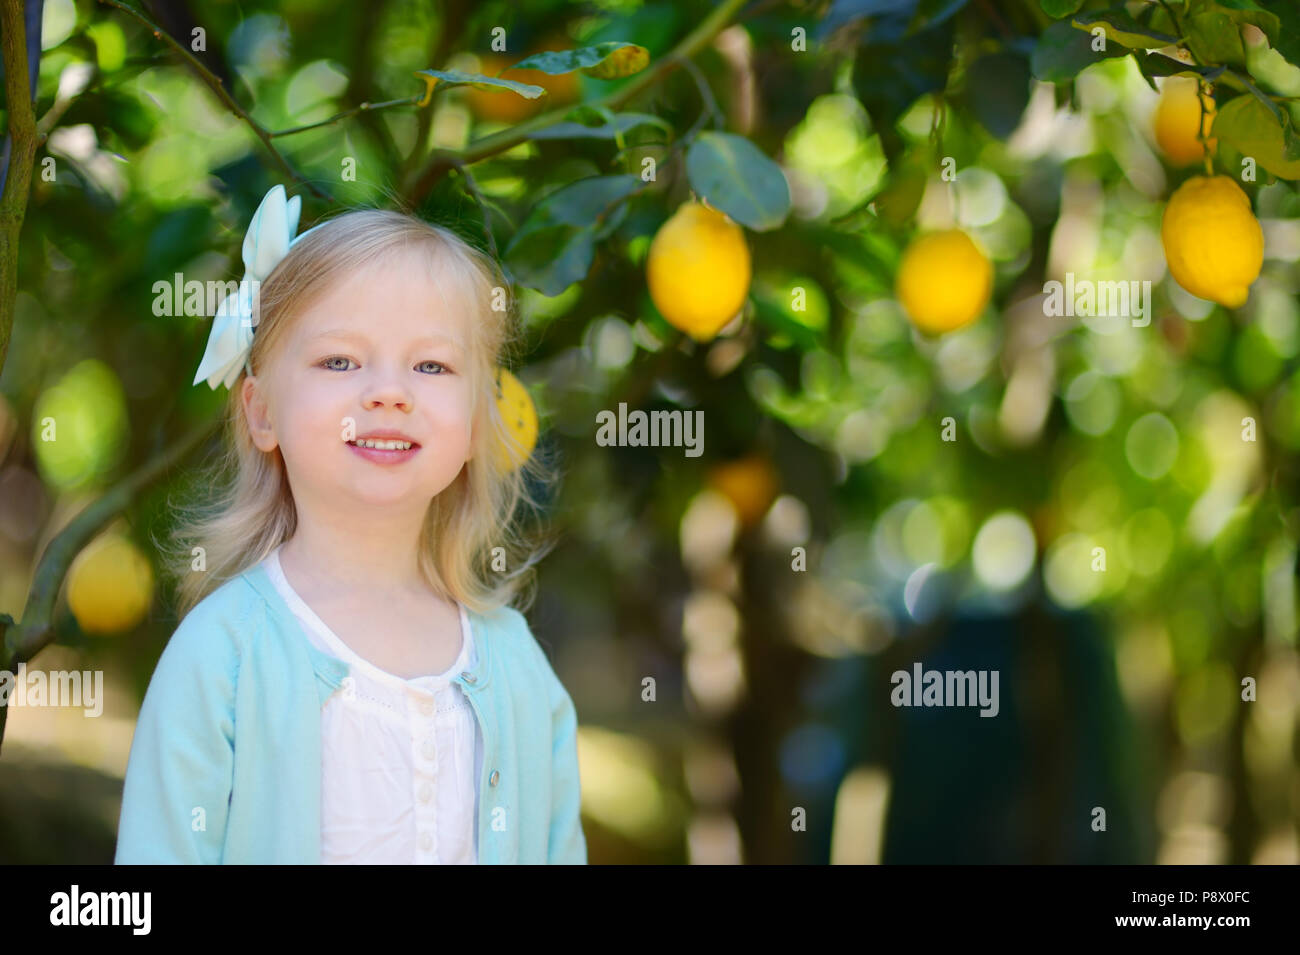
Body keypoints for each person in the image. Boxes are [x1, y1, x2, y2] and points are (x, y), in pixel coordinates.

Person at [114, 185, 584, 864]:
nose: (388, 391)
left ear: (480, 422)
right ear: (261, 411)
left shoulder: (518, 671)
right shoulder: (221, 658)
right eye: (340, 360)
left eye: (432, 364)